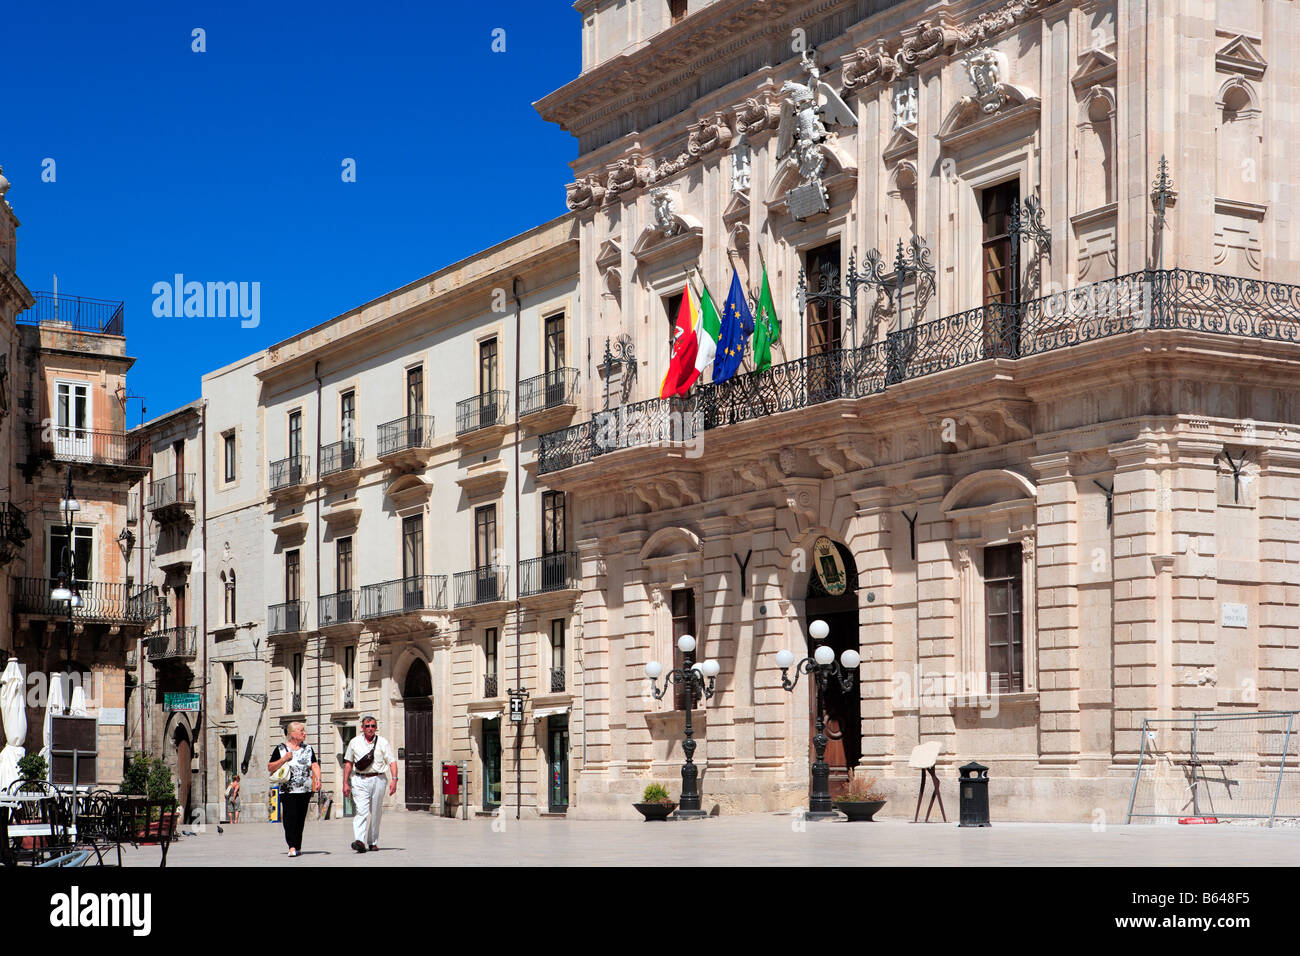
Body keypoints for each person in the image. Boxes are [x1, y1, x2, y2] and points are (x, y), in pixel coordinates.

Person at [342, 715, 398, 853]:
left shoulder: (382, 742)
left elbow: (392, 762)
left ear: (376, 727)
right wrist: (345, 783)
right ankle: (359, 841)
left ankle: (373, 841)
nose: (370, 728)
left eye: (373, 726)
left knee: (376, 811)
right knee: (361, 810)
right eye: (367, 726)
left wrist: (394, 780)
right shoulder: (354, 742)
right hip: (359, 780)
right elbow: (348, 763)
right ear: (362, 727)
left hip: (378, 779)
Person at [268, 722, 320, 857]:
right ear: (292, 734)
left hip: (305, 789)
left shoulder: (308, 749)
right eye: (301, 731)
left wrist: (318, 779)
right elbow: (270, 767)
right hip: (288, 790)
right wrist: (284, 759)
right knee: (290, 818)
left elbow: (314, 765)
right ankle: (291, 846)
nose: (305, 733)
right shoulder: (280, 749)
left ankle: (297, 845)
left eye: (304, 731)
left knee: (300, 819)